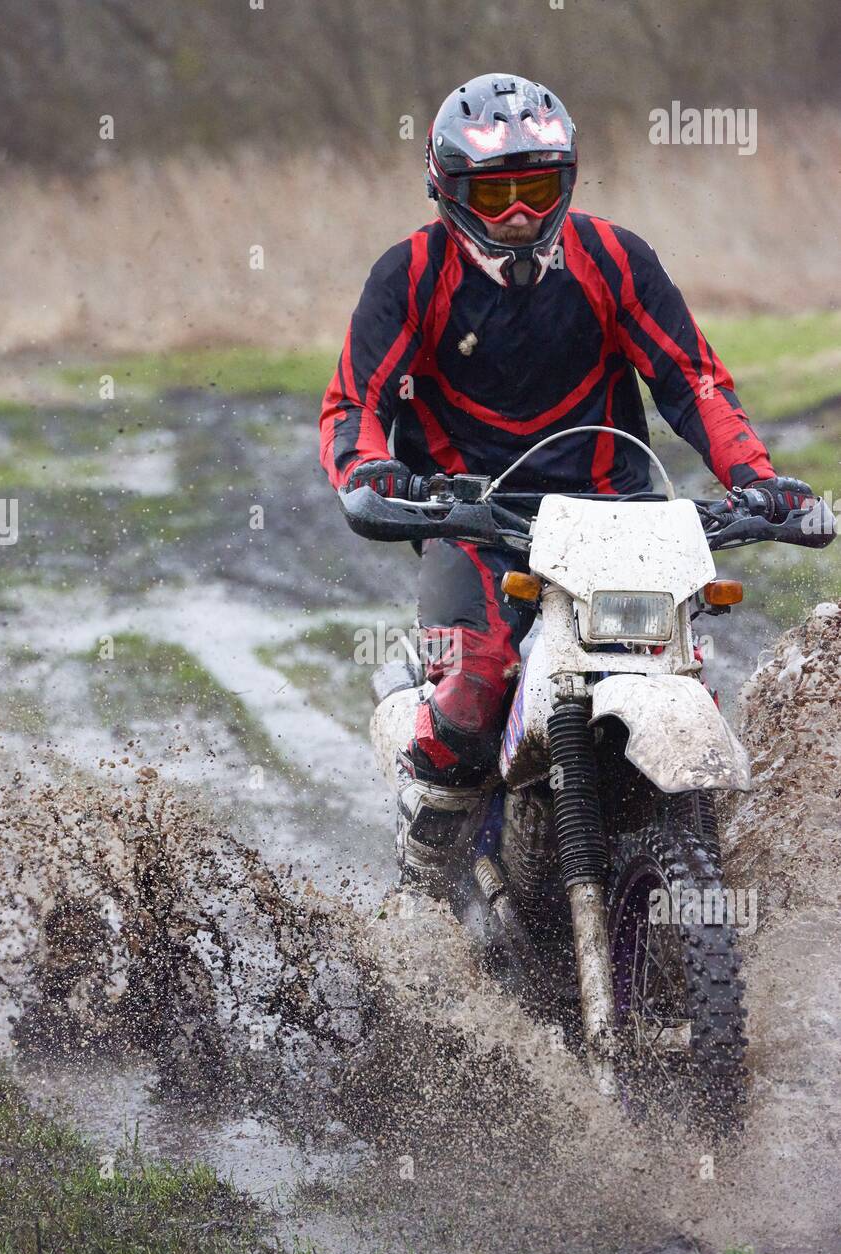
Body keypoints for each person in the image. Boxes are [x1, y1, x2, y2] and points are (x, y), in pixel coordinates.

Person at [319, 72, 813, 884]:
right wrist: (371, 472)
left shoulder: (615, 258)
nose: (518, 211)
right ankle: (424, 883)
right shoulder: (409, 273)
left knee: (675, 667)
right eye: (496, 190)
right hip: (471, 521)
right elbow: (353, 403)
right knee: (481, 682)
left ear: (568, 179)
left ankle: (683, 877)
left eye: (536, 186)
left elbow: (690, 380)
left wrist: (758, 480)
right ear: (447, 188)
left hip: (619, 516)